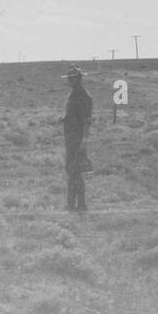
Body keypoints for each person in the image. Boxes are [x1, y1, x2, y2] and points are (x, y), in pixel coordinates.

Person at [59, 65, 93, 212]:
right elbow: (73, 116)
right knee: (71, 170)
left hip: (77, 139)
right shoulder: (73, 95)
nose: (70, 81)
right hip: (71, 137)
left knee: (75, 171)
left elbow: (86, 121)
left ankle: (81, 205)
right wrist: (64, 119)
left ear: (78, 79)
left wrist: (84, 141)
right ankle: (71, 204)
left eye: (72, 78)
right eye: (69, 78)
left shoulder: (83, 97)